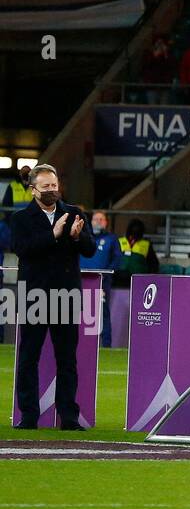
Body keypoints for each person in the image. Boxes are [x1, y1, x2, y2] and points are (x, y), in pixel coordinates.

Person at [11, 165, 95, 429]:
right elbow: (22, 249)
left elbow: (90, 250)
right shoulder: (20, 219)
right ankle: (29, 415)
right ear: (33, 189)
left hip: (66, 295)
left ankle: (68, 416)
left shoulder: (74, 214)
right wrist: (54, 235)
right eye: (46, 186)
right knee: (28, 357)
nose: (52, 190)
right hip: (34, 296)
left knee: (67, 359)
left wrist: (77, 236)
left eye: (54, 185)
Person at [79, 211, 123, 347]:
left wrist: (106, 274)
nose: (98, 221)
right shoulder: (83, 238)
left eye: (101, 219)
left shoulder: (111, 239)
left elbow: (117, 259)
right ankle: (80, 343)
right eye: (95, 219)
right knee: (78, 312)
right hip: (80, 279)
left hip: (101, 282)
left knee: (102, 313)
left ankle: (106, 345)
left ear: (106, 222)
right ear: (90, 222)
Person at [139, 36, 175, 104]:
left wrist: (166, 54)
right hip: (152, 85)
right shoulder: (147, 53)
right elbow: (145, 66)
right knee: (152, 107)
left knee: (164, 108)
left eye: (161, 43)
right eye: (158, 43)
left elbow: (172, 66)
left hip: (165, 86)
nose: (160, 45)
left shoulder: (169, 54)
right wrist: (154, 56)